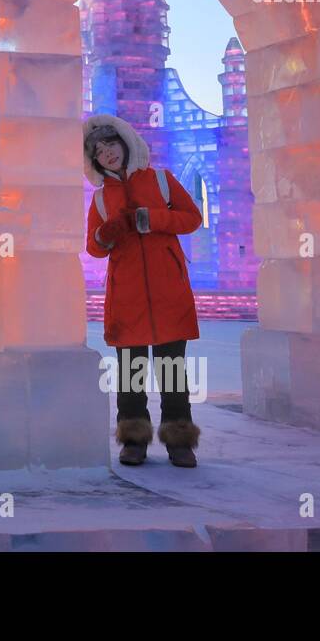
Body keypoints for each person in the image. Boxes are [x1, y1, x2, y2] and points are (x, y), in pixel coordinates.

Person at [83, 114, 204, 468]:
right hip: (127, 297)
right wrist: (109, 233)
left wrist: (152, 219)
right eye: (98, 151)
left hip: (169, 293)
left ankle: (179, 442)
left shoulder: (162, 181)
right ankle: (133, 441)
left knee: (171, 370)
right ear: (93, 161)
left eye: (111, 144)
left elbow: (191, 218)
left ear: (126, 143)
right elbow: (94, 246)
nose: (107, 154)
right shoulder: (101, 200)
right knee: (131, 373)